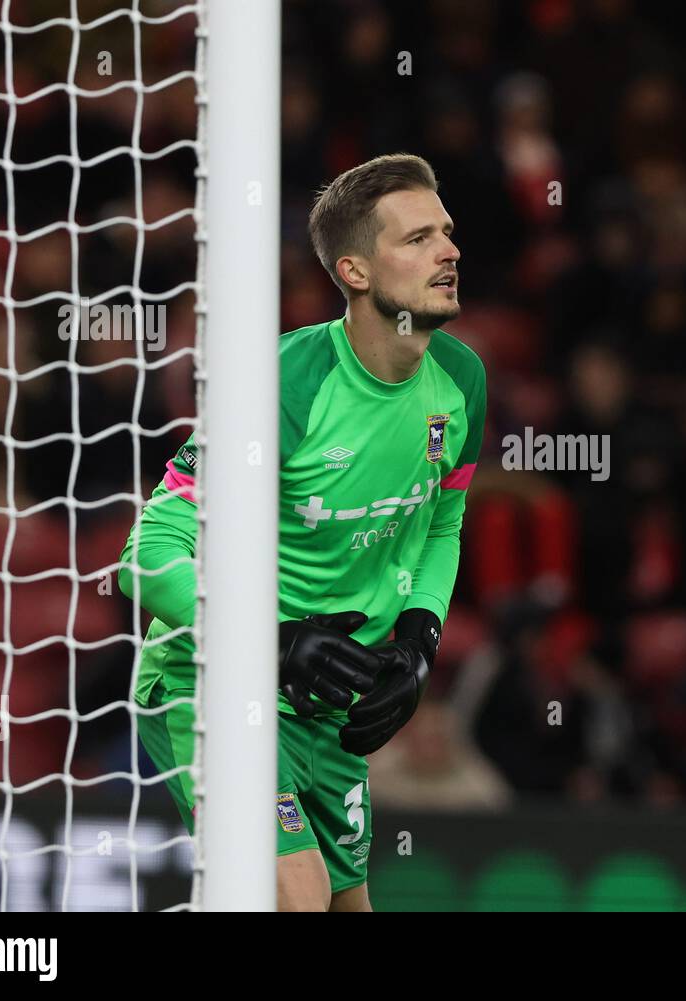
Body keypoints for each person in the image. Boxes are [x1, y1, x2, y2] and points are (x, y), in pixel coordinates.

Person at [118, 153, 487, 912]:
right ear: (354, 270)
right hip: (210, 683)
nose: (449, 251)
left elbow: (443, 521)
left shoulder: (462, 382)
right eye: (417, 238)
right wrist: (272, 640)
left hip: (327, 703)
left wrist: (419, 638)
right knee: (297, 896)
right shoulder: (282, 384)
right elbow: (146, 557)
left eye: (446, 233)